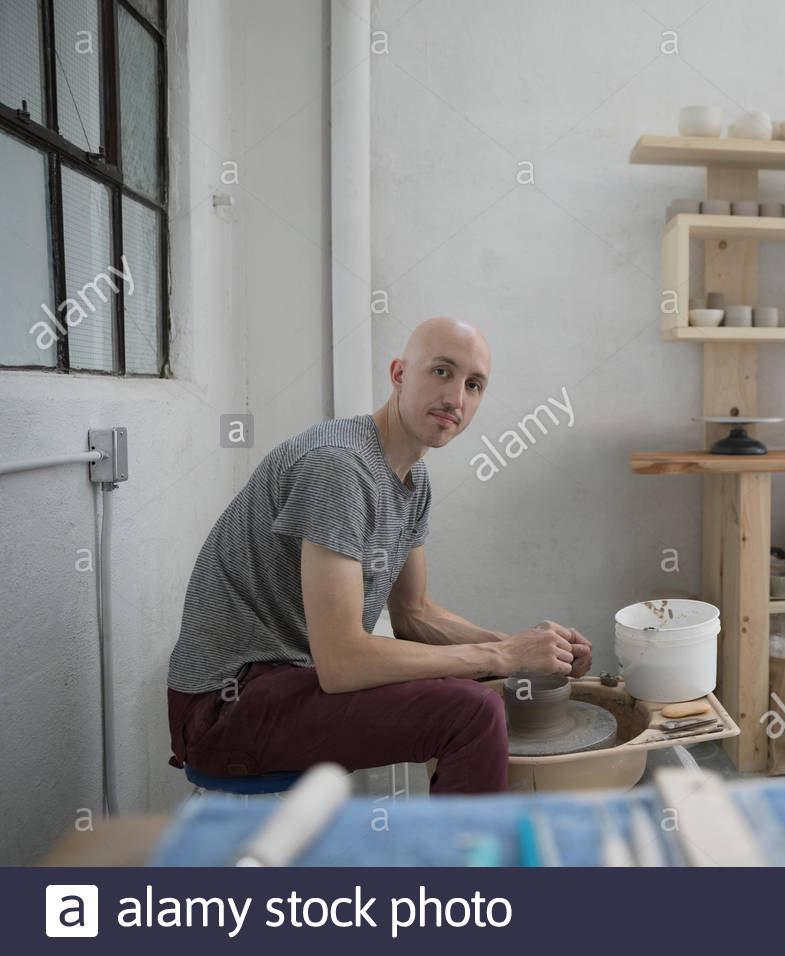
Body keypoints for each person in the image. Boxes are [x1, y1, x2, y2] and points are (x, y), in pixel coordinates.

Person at [165, 317, 591, 793]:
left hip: (290, 684)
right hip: (225, 708)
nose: (456, 398)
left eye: (474, 385)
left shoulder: (413, 479)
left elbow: (413, 614)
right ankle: (467, 864)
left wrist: (523, 650)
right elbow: (343, 662)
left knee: (480, 686)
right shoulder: (340, 468)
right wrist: (502, 654)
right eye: (442, 372)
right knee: (474, 711)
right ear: (399, 374)